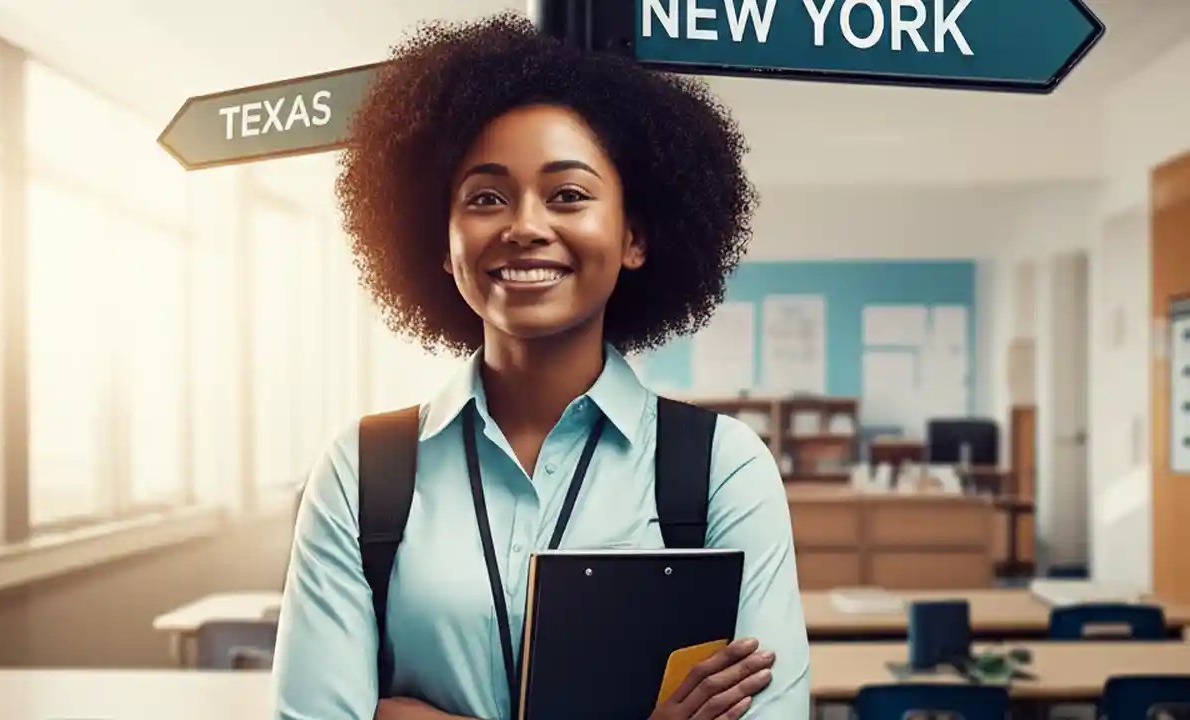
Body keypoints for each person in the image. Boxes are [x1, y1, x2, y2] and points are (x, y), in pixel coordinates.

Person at [272, 11, 810, 720]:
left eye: (569, 195)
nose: (524, 226)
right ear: (441, 243)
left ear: (635, 236)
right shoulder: (360, 473)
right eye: (485, 197)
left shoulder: (723, 470)